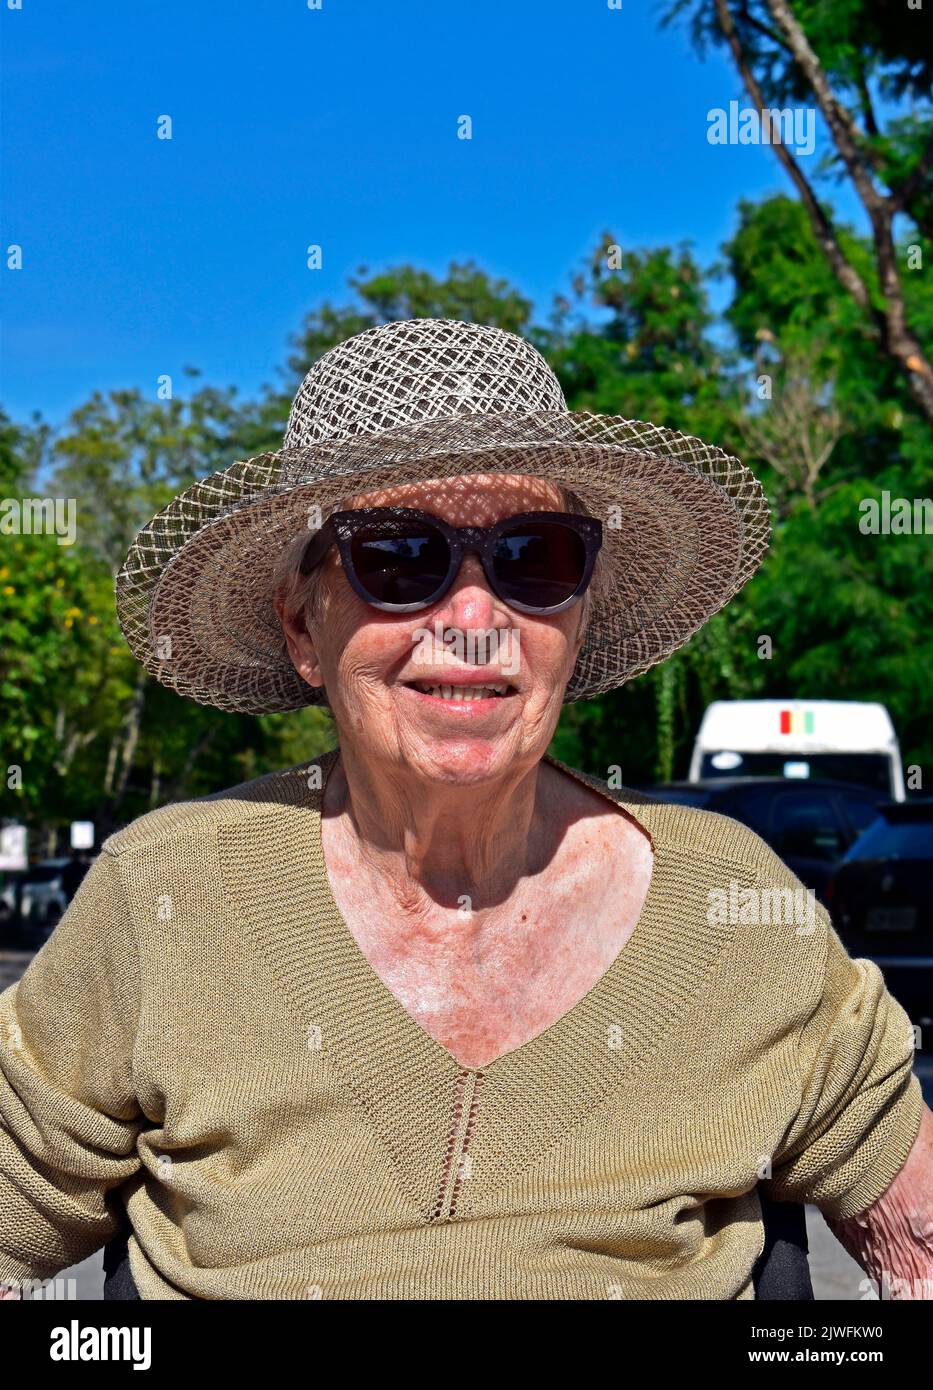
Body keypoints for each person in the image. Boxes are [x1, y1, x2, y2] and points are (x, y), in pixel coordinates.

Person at [0, 318, 929, 1301]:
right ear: (302, 626)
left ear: (579, 616)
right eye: (399, 558)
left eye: (535, 558)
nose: (477, 621)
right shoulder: (166, 897)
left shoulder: (732, 907)